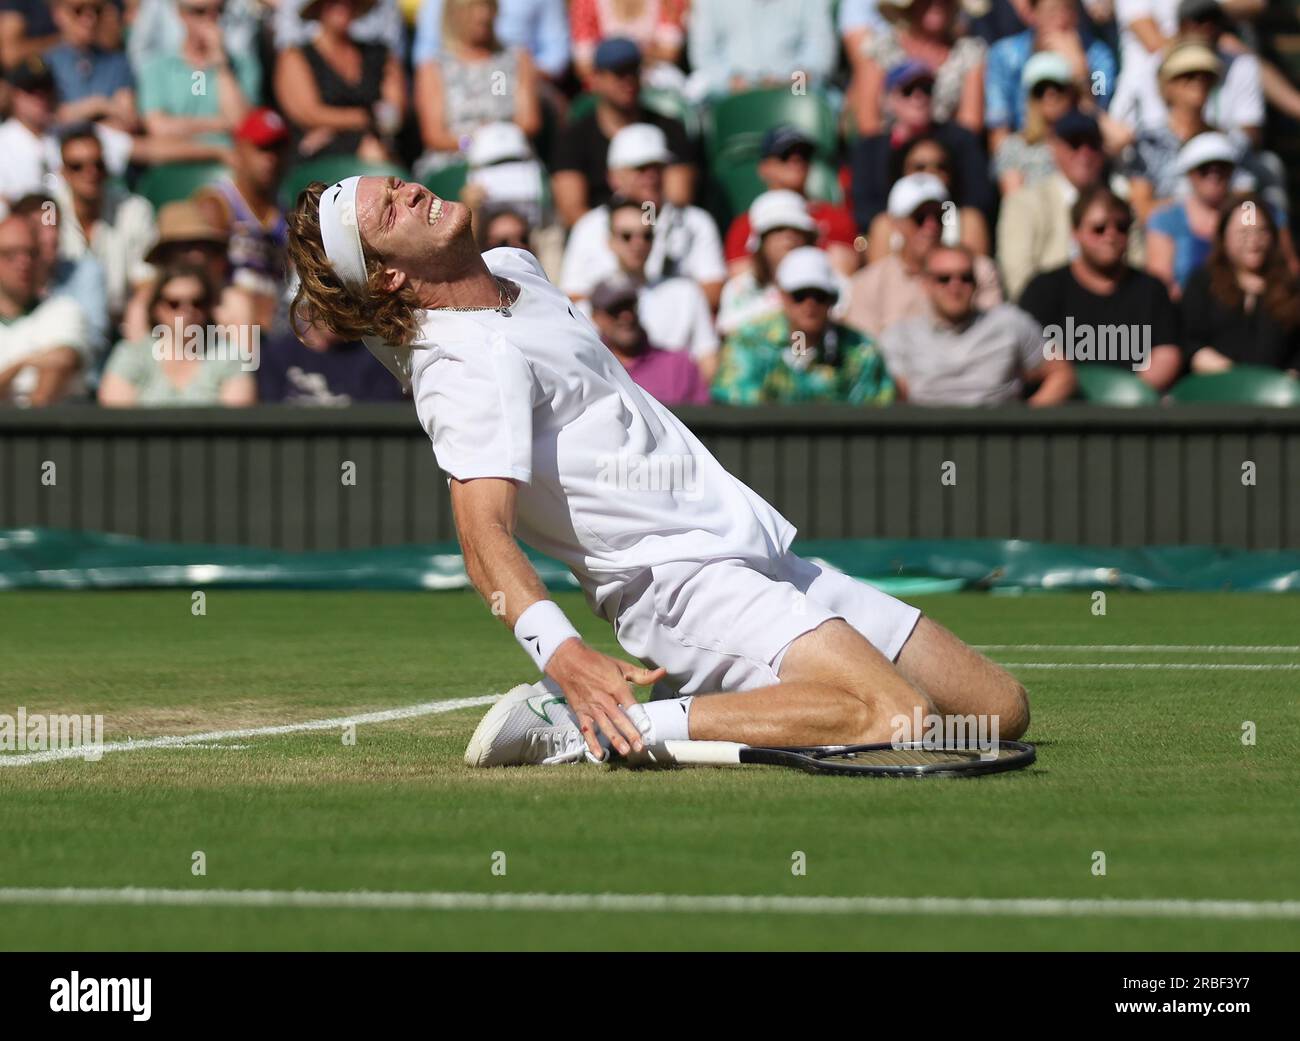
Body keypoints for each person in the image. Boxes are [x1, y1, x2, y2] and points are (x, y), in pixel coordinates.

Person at [287, 173, 1028, 768]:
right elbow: (482, 535)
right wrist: (564, 652)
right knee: (899, 715)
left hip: (748, 544)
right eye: (389, 211)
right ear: (386, 276)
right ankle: (604, 725)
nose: (411, 192)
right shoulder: (461, 372)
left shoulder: (514, 266)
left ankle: (649, 702)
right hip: (680, 587)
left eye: (397, 184)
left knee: (996, 709)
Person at [1019, 185, 1183, 390]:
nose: (1111, 235)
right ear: (1075, 233)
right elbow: (1025, 356)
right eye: (1099, 228)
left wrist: (1124, 395)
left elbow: (1166, 354)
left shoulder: (1151, 289)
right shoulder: (1043, 289)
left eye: (1122, 227)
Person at [880, 244, 1076, 405]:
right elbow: (892, 397)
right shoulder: (899, 336)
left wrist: (1025, 424)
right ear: (926, 284)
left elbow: (1062, 373)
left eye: (965, 278)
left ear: (976, 283)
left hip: (997, 441)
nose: (955, 286)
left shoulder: (1009, 322)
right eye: (944, 279)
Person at [559, 123, 726, 307]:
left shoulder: (696, 222)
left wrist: (656, 307)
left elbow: (714, 289)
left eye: (658, 167)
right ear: (614, 177)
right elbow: (573, 296)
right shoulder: (590, 227)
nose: (651, 176)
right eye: (640, 169)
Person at [1123, 40, 1282, 222]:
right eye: (1188, 75)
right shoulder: (1148, 142)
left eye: (1206, 76)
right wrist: (1197, 207)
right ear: (1166, 86)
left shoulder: (1231, 142)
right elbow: (1143, 209)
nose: (1198, 82)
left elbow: (1247, 205)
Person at [714, 246, 894, 406]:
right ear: (783, 296)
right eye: (799, 295)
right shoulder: (748, 343)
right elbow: (734, 404)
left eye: (819, 295)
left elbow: (875, 409)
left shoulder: (862, 351)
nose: (810, 304)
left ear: (832, 298)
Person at [549, 37, 695, 227]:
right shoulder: (574, 138)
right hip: (601, 242)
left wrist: (644, 237)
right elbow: (572, 210)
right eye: (619, 73)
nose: (628, 80)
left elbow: (678, 198)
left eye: (633, 70)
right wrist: (619, 238)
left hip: (662, 231)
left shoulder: (670, 129)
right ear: (596, 78)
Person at [996, 110, 1140, 300]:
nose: (1085, 153)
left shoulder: (1121, 205)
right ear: (1055, 148)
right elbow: (1018, 279)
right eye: (1075, 143)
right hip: (1048, 319)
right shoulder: (1024, 204)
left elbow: (1138, 269)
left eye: (1093, 144)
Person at [846, 173, 1002, 338]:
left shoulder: (980, 271)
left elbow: (993, 334)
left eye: (938, 216)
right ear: (896, 223)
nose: (931, 226)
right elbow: (866, 351)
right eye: (919, 217)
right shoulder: (868, 284)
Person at [849, 60, 996, 235]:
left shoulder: (960, 141)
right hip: (896, 233)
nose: (919, 97)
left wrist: (937, 215)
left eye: (926, 89)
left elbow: (979, 198)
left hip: (948, 226)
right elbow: (865, 209)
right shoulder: (871, 150)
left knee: (972, 221)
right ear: (889, 100)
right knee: (882, 226)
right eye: (908, 91)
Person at [413, 0, 541, 176]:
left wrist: (496, 140)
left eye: (487, 7)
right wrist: (473, 142)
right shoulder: (434, 68)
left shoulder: (516, 59)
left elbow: (529, 121)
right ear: (454, 16)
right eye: (472, 9)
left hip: (508, 156)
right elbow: (434, 136)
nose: (482, 16)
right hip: (454, 161)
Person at [595, 194, 719, 376]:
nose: (638, 243)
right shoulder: (596, 300)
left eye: (646, 236)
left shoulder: (687, 293)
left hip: (677, 397)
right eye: (627, 236)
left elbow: (708, 360)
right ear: (610, 242)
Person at [99, 262, 255, 406]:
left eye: (197, 302)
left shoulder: (229, 356)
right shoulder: (132, 354)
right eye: (174, 303)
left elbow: (236, 420)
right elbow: (116, 415)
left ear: (208, 307)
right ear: (157, 308)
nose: (187, 310)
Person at [1180, 193, 1300, 375]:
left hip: (1277, 395)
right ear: (1224, 237)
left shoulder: (1291, 287)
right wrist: (1236, 378)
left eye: (1261, 231)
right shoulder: (1203, 283)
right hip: (1215, 389)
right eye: (1243, 233)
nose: (1253, 241)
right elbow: (1190, 342)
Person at [193, 107, 292, 328]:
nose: (271, 158)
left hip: (277, 316)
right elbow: (203, 280)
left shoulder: (285, 210)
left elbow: (294, 276)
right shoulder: (217, 204)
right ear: (239, 150)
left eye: (277, 148)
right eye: (262, 148)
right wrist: (252, 304)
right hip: (227, 318)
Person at [1110, 0, 1263, 141]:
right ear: (1181, 26)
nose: (1207, 28)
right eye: (1198, 21)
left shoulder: (1241, 64)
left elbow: (1250, 135)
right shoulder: (1154, 67)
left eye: (1214, 21)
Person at [275, 0, 406, 163]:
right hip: (320, 156)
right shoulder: (297, 56)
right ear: (319, 7)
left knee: (375, 151)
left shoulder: (379, 54)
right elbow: (309, 114)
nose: (343, 6)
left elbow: (394, 115)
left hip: (376, 147)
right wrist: (366, 118)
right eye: (334, 2)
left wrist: (334, 126)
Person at [51, 124, 155, 328]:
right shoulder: (48, 213)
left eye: (97, 164)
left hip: (121, 325)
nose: (90, 172)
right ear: (63, 172)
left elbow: (146, 282)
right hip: (64, 328)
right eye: (77, 166)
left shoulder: (135, 210)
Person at [723, 125, 859, 277]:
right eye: (785, 155)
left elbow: (845, 278)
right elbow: (740, 285)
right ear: (764, 168)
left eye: (804, 155)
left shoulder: (836, 218)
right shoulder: (744, 226)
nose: (796, 160)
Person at [983, 0, 1116, 153]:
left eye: (1069, 9)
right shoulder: (1003, 56)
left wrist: (1082, 75)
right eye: (1053, 11)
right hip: (1026, 154)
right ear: (1032, 14)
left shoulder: (1099, 56)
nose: (1062, 20)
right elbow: (999, 129)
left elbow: (1101, 114)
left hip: (1079, 153)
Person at [850, 0, 986, 137]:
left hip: (949, 152)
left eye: (945, 0)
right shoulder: (880, 48)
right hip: (889, 150)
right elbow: (868, 122)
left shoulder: (969, 53)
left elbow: (970, 125)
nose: (936, 5)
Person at [138, 0, 260, 151]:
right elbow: (158, 127)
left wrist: (221, 65)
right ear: (181, 13)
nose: (210, 20)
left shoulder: (243, 64)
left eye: (218, 11)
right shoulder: (157, 67)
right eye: (199, 12)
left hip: (231, 166)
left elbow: (243, 124)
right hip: (174, 164)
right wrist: (222, 124)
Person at [0, 213, 93, 406]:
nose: (23, 262)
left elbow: (49, 387)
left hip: (46, 435)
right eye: (11, 254)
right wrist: (22, 364)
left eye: (31, 253)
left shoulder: (64, 310)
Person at [861, 131, 991, 260]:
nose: (930, 173)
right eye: (919, 167)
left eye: (941, 167)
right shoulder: (884, 225)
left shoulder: (968, 221)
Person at [588, 276, 709, 405]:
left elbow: (702, 420)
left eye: (630, 306)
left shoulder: (678, 366)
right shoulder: (588, 368)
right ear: (597, 317)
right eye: (615, 310)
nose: (626, 316)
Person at [717, 189, 821, 338]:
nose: (788, 237)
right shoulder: (738, 289)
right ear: (761, 242)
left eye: (796, 230)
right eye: (778, 229)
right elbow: (732, 340)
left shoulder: (832, 285)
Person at [1144, 131, 1239, 296]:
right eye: (1204, 169)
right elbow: (1161, 281)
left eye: (1222, 168)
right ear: (1190, 174)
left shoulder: (1250, 214)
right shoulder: (1165, 219)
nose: (1214, 175)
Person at [686, 0, 836, 99]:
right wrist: (731, 83)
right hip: (729, 96)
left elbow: (820, 57)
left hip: (795, 92)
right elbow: (703, 56)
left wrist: (791, 83)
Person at [411, 0, 570, 82]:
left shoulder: (502, 66)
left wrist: (522, 74)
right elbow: (425, 53)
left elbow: (518, 118)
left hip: (513, 76)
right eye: (471, 12)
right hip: (450, 83)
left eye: (486, 12)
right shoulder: (442, 66)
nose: (481, 17)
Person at [257, 319, 408, 404]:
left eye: (344, 301)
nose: (334, 311)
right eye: (326, 301)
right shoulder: (277, 353)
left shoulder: (375, 357)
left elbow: (382, 418)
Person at [992, 50, 1081, 195]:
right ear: (1030, 98)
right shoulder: (1013, 147)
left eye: (1057, 86)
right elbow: (1014, 202)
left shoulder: (1085, 144)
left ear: (1070, 93)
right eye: (1041, 89)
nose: (1050, 94)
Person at [46, 0, 136, 133]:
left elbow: (128, 120)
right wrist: (99, 105)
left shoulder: (117, 63)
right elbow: (47, 120)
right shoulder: (46, 63)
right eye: (78, 10)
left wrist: (75, 114)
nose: (89, 18)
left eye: (97, 10)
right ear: (58, 14)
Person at [569, 0, 685, 84]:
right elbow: (584, 65)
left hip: (655, 82)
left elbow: (670, 53)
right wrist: (647, 51)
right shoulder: (585, 3)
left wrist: (613, 57)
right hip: (606, 87)